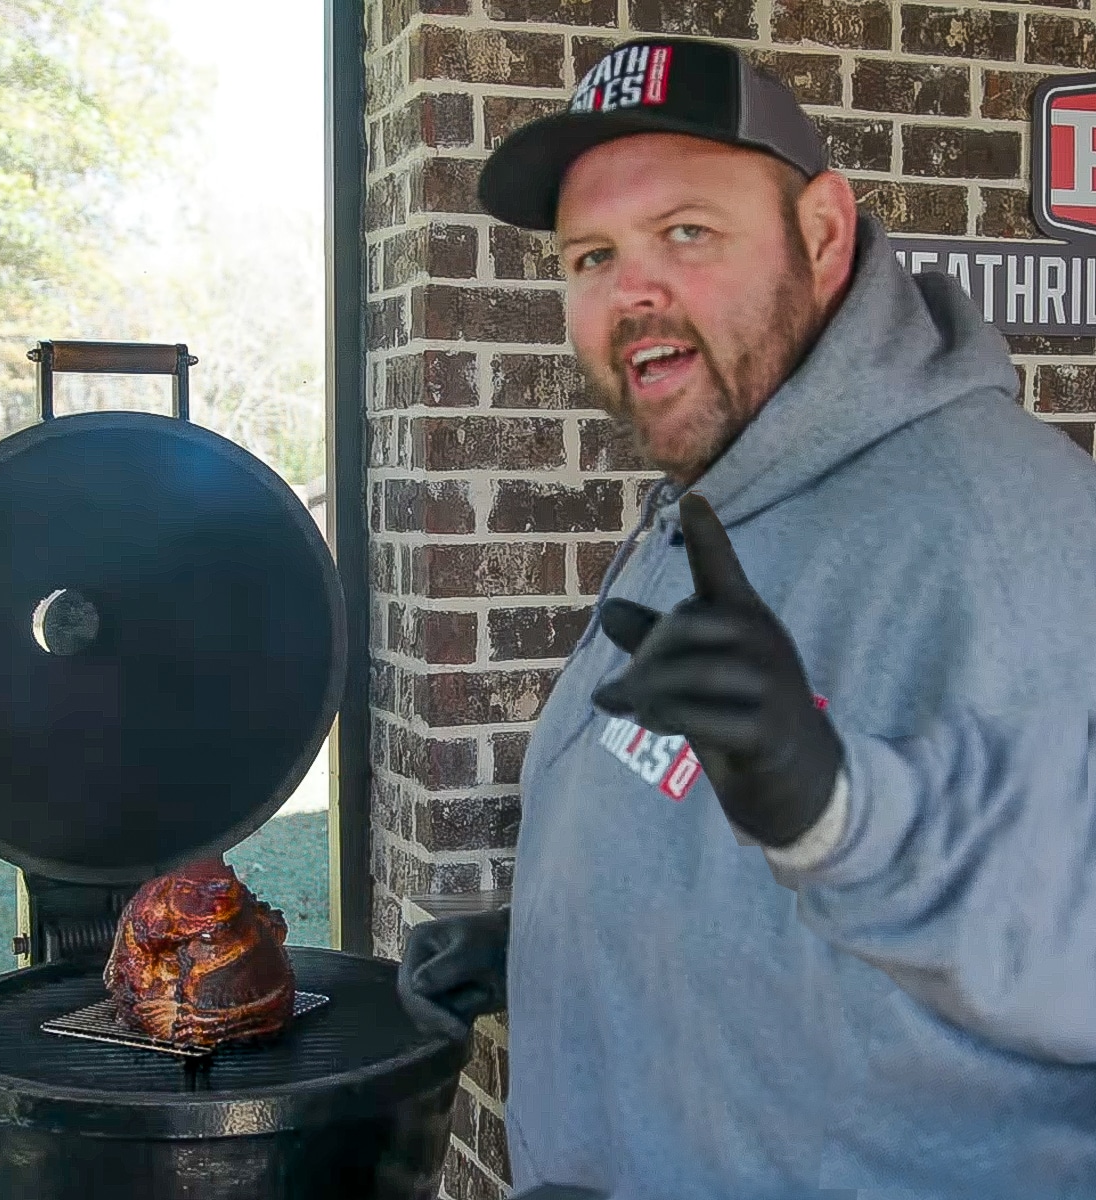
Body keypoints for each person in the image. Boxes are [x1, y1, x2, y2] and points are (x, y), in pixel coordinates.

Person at [398, 35, 1096, 1200]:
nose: (632, 292)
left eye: (688, 233)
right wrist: (544, 941)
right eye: (590, 257)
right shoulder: (728, 480)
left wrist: (833, 809)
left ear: (822, 235)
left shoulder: (1006, 535)